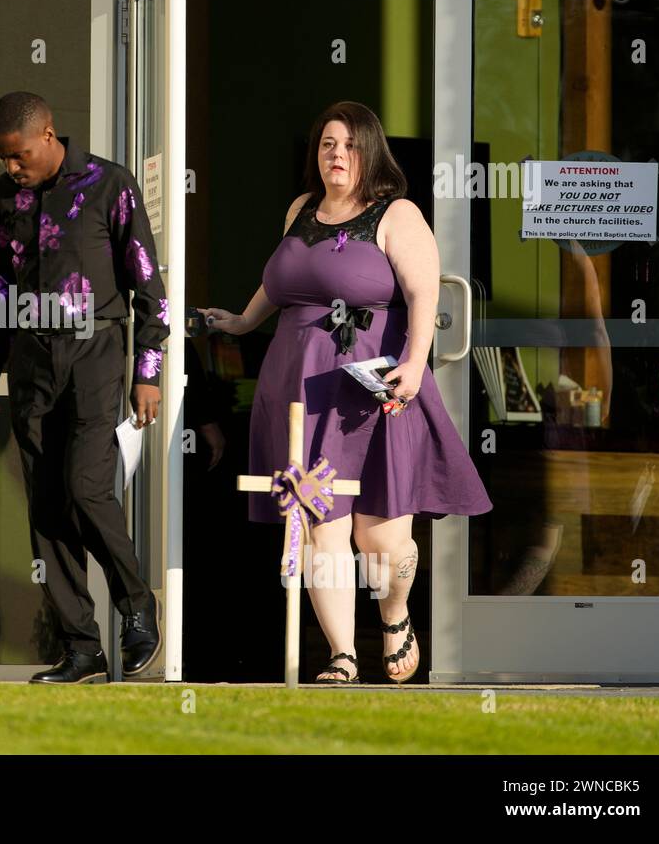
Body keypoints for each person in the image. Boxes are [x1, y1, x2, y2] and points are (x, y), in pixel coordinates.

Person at [201, 101, 492, 685]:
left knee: (380, 536)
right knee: (317, 517)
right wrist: (241, 322)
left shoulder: (396, 214)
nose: (337, 155)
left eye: (350, 145)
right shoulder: (300, 209)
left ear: (371, 153)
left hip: (373, 386)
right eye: (328, 144)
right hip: (299, 387)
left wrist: (415, 363)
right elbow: (280, 281)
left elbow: (423, 296)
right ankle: (341, 655)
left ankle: (394, 614)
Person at [0, 91, 170, 685]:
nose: (12, 167)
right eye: (2, 158)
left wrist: (148, 372)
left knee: (86, 487)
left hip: (95, 353)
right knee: (47, 507)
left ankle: (136, 607)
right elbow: (2, 283)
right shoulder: (5, 196)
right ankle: (82, 646)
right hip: (31, 360)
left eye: (19, 154)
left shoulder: (110, 184)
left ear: (49, 135)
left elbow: (148, 286)